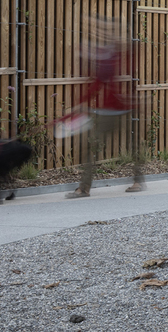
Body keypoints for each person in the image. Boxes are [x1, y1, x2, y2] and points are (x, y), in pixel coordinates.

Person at [57, 15, 147, 198]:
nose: (102, 32)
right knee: (93, 146)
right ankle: (84, 187)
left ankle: (138, 180)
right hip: (107, 110)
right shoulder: (104, 53)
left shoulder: (123, 52)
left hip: (126, 107)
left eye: (108, 29)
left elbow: (121, 72)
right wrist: (82, 102)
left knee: (133, 146)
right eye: (100, 29)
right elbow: (98, 81)